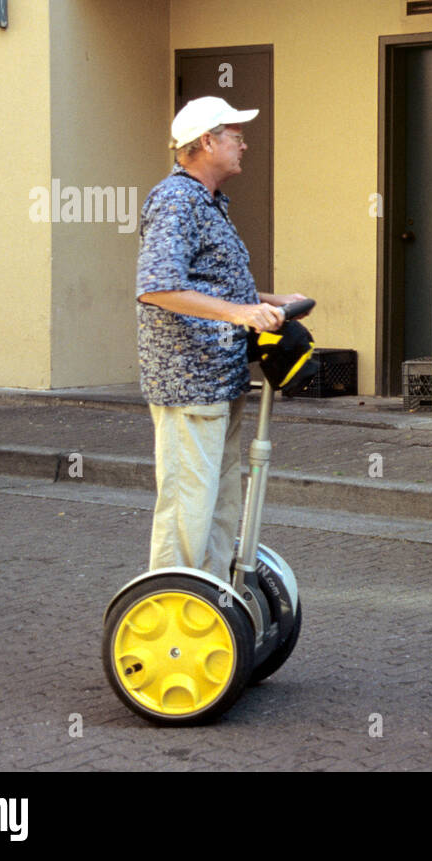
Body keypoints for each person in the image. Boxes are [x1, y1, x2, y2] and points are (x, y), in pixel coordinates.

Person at [136, 96, 305, 578]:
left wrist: (270, 299)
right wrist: (242, 312)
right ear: (206, 142)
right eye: (235, 136)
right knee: (189, 502)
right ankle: (172, 606)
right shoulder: (174, 200)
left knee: (220, 496)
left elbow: (210, 282)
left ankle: (208, 597)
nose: (244, 145)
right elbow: (158, 287)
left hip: (222, 377)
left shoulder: (209, 202)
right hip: (189, 380)